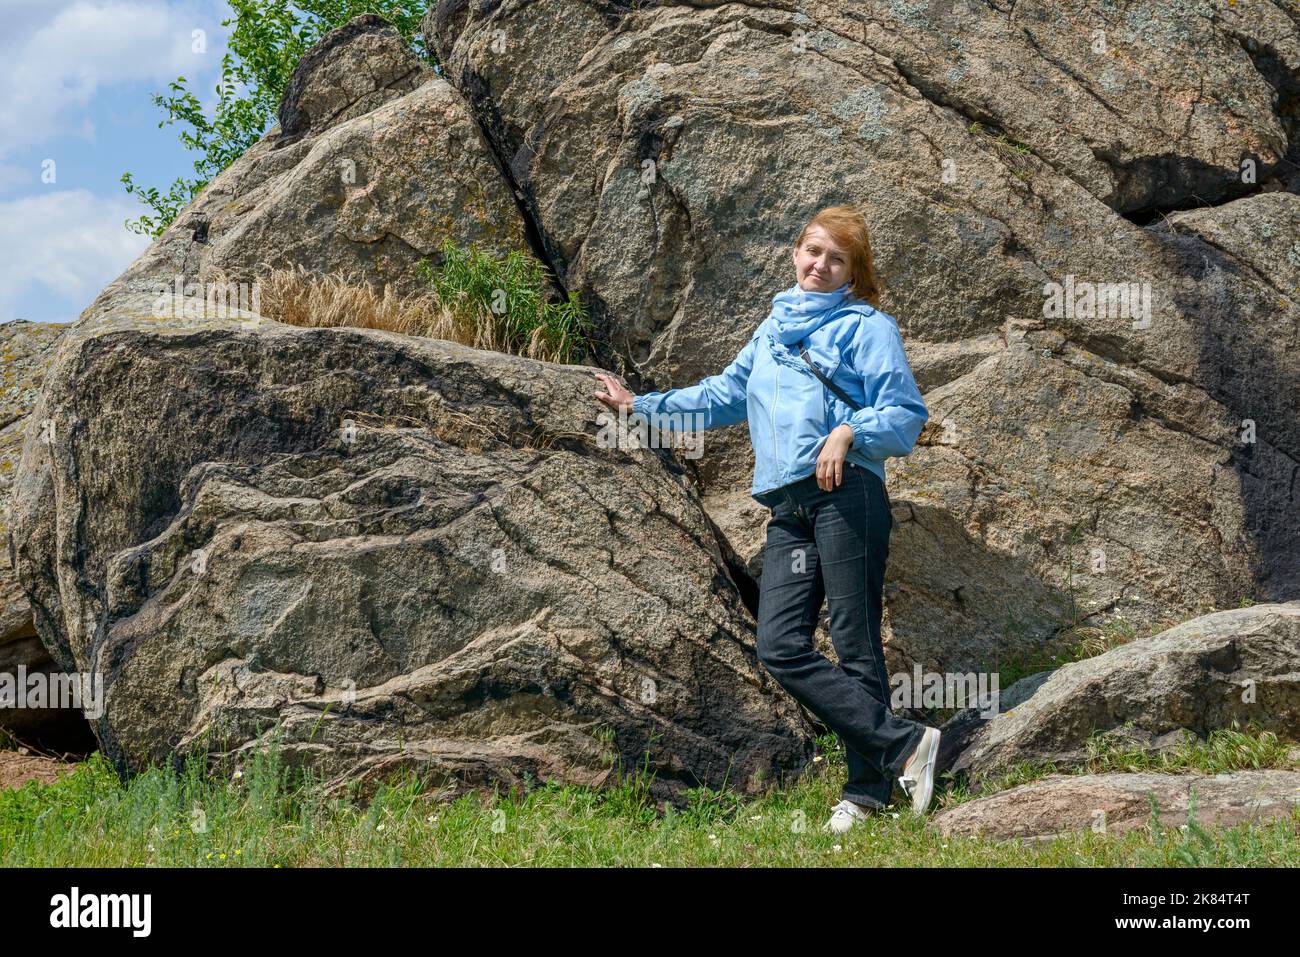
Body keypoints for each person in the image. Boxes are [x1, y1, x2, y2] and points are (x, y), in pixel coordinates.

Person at [593, 204, 940, 832]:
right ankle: (904, 745)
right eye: (813, 251)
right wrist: (638, 404)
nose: (820, 265)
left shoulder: (868, 327)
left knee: (856, 641)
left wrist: (847, 432)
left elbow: (904, 414)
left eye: (837, 259)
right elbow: (722, 396)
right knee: (779, 646)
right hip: (787, 506)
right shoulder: (773, 330)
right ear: (795, 254)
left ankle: (865, 795)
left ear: (854, 273)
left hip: (846, 492)